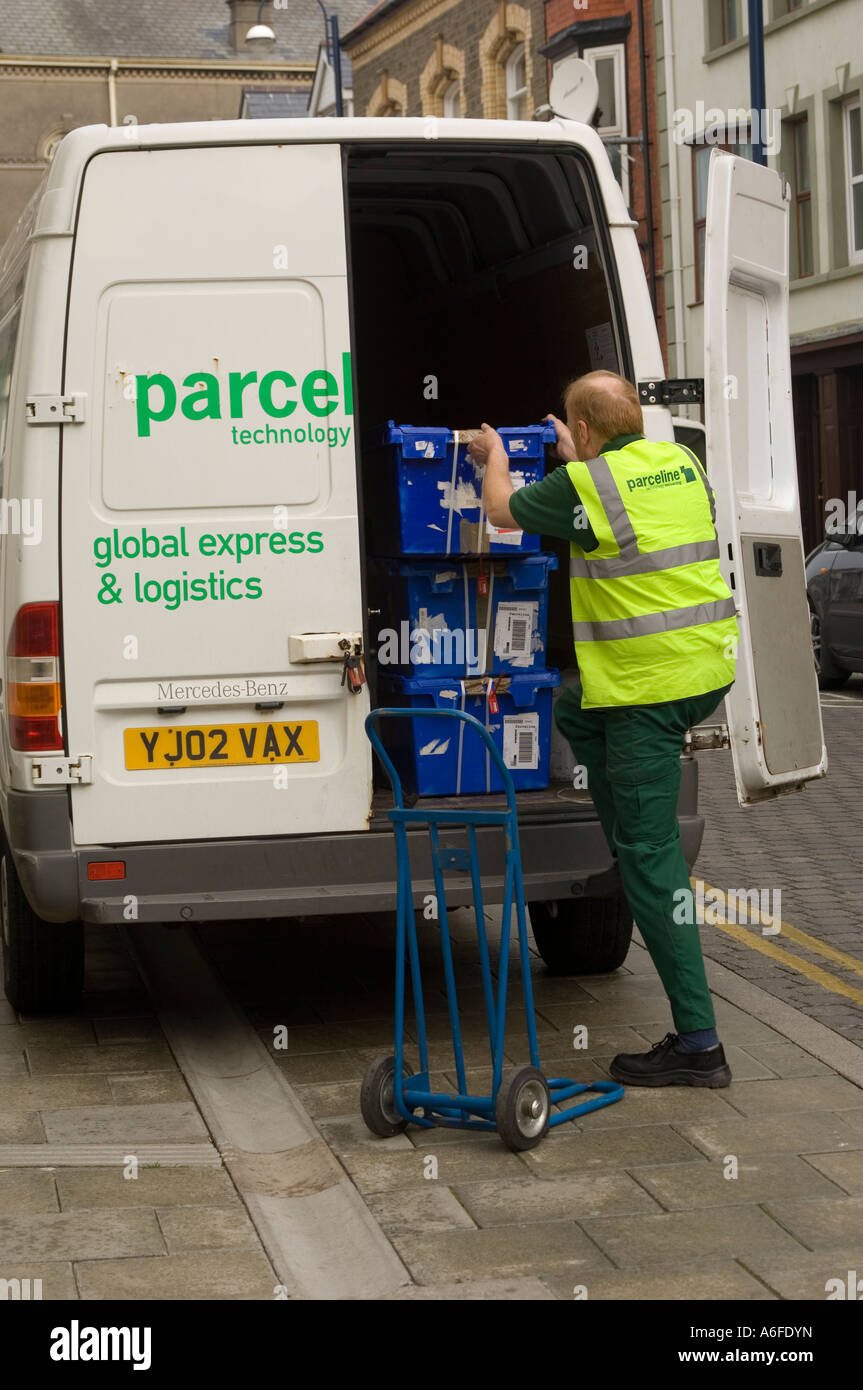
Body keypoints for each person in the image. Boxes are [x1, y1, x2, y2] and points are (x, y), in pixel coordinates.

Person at [467, 370, 738, 1087]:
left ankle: (699, 1046)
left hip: (648, 692)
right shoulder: (679, 461)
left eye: (571, 428)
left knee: (654, 871)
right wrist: (574, 458)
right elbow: (616, 504)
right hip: (705, 671)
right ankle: (631, 835)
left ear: (582, 433)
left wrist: (494, 455)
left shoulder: (583, 487)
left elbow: (500, 510)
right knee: (569, 709)